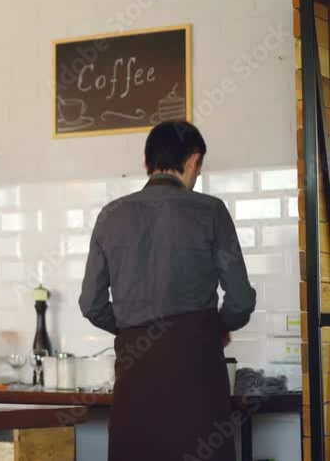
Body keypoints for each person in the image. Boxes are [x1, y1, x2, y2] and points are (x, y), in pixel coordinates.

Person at [79, 120, 256, 461]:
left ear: (147, 164)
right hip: (197, 373)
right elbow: (241, 300)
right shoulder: (211, 211)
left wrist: (132, 327)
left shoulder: (110, 215)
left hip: (136, 375)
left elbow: (91, 303)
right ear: (194, 160)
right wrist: (214, 327)